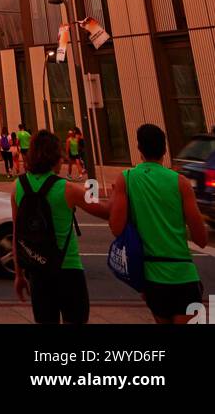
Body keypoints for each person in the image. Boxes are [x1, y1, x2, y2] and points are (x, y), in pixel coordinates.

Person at [108, 122, 207, 325]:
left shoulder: (126, 179)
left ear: (139, 149)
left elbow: (116, 228)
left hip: (152, 278)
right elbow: (202, 239)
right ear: (164, 149)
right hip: (183, 274)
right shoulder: (180, 182)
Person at [13, 128, 110, 325]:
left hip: (37, 271)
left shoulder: (18, 186)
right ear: (55, 157)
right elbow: (103, 211)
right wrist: (119, 195)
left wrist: (19, 274)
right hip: (68, 270)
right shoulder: (66, 189)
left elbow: (17, 232)